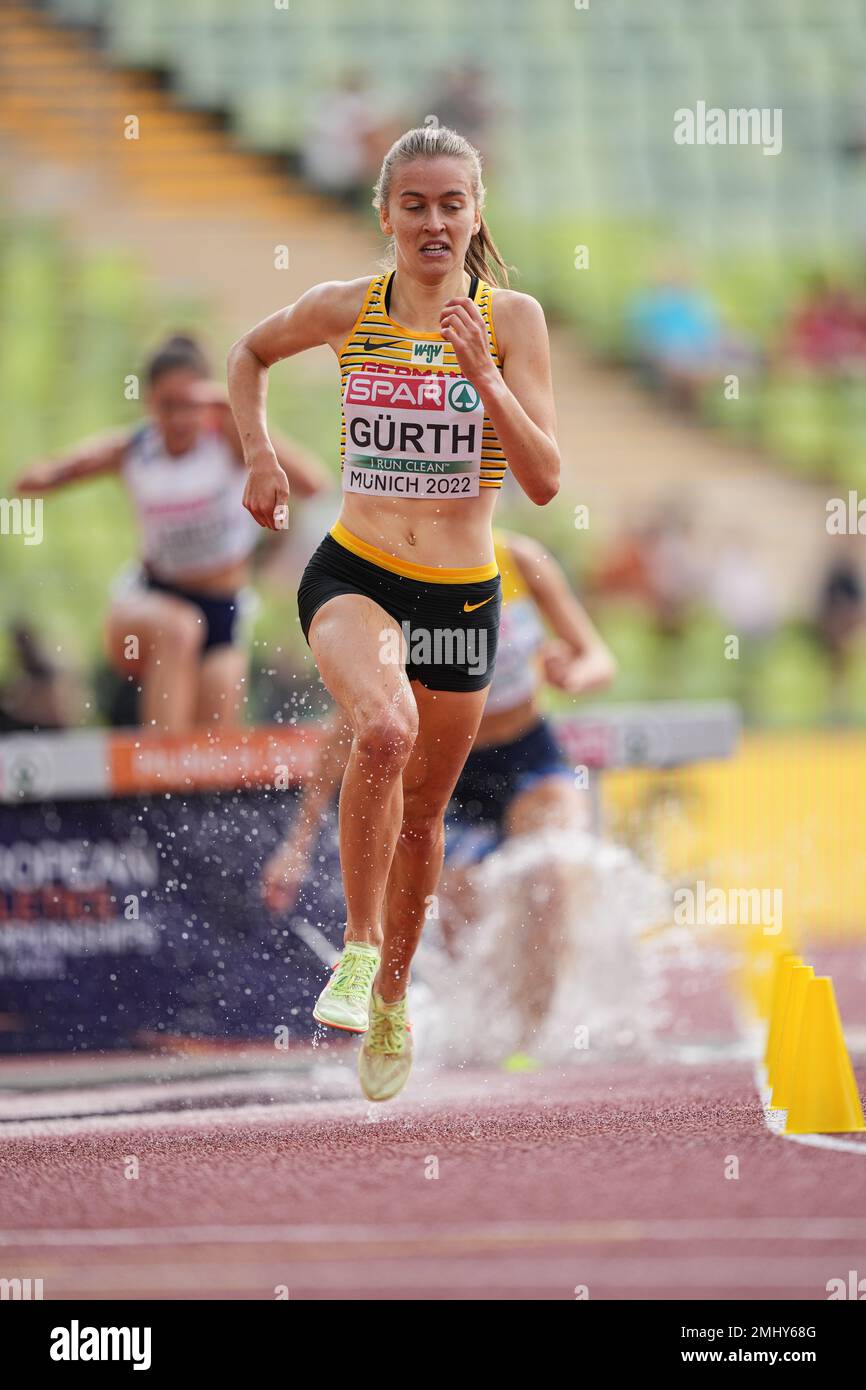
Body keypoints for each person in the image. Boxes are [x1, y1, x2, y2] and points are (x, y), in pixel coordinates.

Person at [227, 123, 560, 1102]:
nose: (431, 220)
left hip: (461, 597)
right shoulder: (345, 308)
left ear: (475, 213)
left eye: (450, 203)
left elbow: (541, 480)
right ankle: (359, 950)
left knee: (422, 818)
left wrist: (485, 375)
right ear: (385, 213)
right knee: (382, 728)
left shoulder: (513, 320)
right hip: (355, 571)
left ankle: (392, 999)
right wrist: (256, 455)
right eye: (413, 203)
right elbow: (247, 356)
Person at [263, 528, 616, 1058]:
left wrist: (576, 675)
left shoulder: (520, 558)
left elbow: (598, 658)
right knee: (455, 908)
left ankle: (526, 1040)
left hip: (527, 754)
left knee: (551, 877)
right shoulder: (389, 575)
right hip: (446, 769)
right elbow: (347, 731)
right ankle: (467, 1028)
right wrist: (298, 839)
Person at [15, 335, 328, 732]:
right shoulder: (134, 449)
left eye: (189, 405)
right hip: (149, 600)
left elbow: (314, 484)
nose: (179, 419)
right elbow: (55, 472)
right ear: (149, 403)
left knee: (213, 740)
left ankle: (183, 790)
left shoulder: (233, 440)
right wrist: (37, 481)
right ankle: (154, 777)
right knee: (179, 628)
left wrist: (237, 411)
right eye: (167, 405)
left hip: (224, 613)